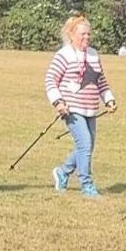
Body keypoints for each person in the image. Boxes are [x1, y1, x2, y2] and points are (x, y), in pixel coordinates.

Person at [47, 14, 117, 198]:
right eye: (82, 35)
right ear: (71, 35)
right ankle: (87, 185)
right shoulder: (63, 55)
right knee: (85, 144)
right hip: (71, 109)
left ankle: (62, 172)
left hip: (91, 108)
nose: (86, 38)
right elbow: (51, 80)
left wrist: (109, 99)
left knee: (86, 146)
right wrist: (58, 102)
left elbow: (100, 81)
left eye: (88, 35)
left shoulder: (94, 55)